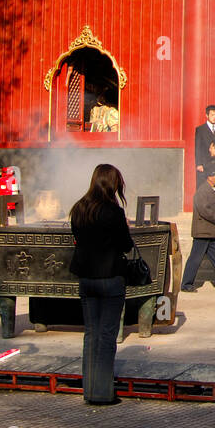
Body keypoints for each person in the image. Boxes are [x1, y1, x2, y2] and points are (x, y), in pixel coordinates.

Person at [68, 164, 134, 405]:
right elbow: (126, 245)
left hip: (86, 278)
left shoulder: (79, 209)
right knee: (107, 336)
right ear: (113, 184)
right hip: (110, 277)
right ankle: (103, 392)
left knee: (91, 334)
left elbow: (77, 238)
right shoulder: (113, 212)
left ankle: (89, 389)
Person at [194, 104, 215, 176]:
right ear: (207, 115)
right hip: (205, 164)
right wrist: (199, 164)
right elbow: (198, 148)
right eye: (212, 115)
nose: (214, 117)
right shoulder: (200, 129)